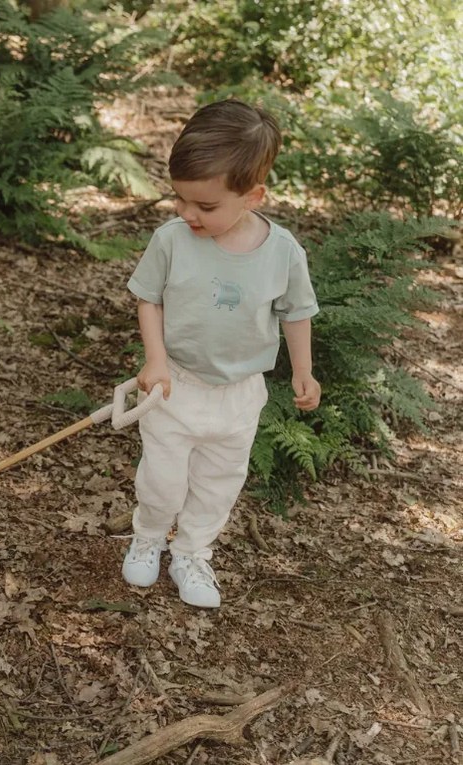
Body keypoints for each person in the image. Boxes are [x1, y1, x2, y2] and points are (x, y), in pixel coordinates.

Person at [111, 99, 321, 608]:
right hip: (175, 385)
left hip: (239, 395)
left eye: (205, 207)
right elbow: (149, 298)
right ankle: (148, 536)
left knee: (218, 485)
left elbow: (296, 312)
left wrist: (304, 369)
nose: (188, 214)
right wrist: (155, 359)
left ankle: (191, 553)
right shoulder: (171, 240)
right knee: (162, 480)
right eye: (180, 199)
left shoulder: (283, 252)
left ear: (253, 196)